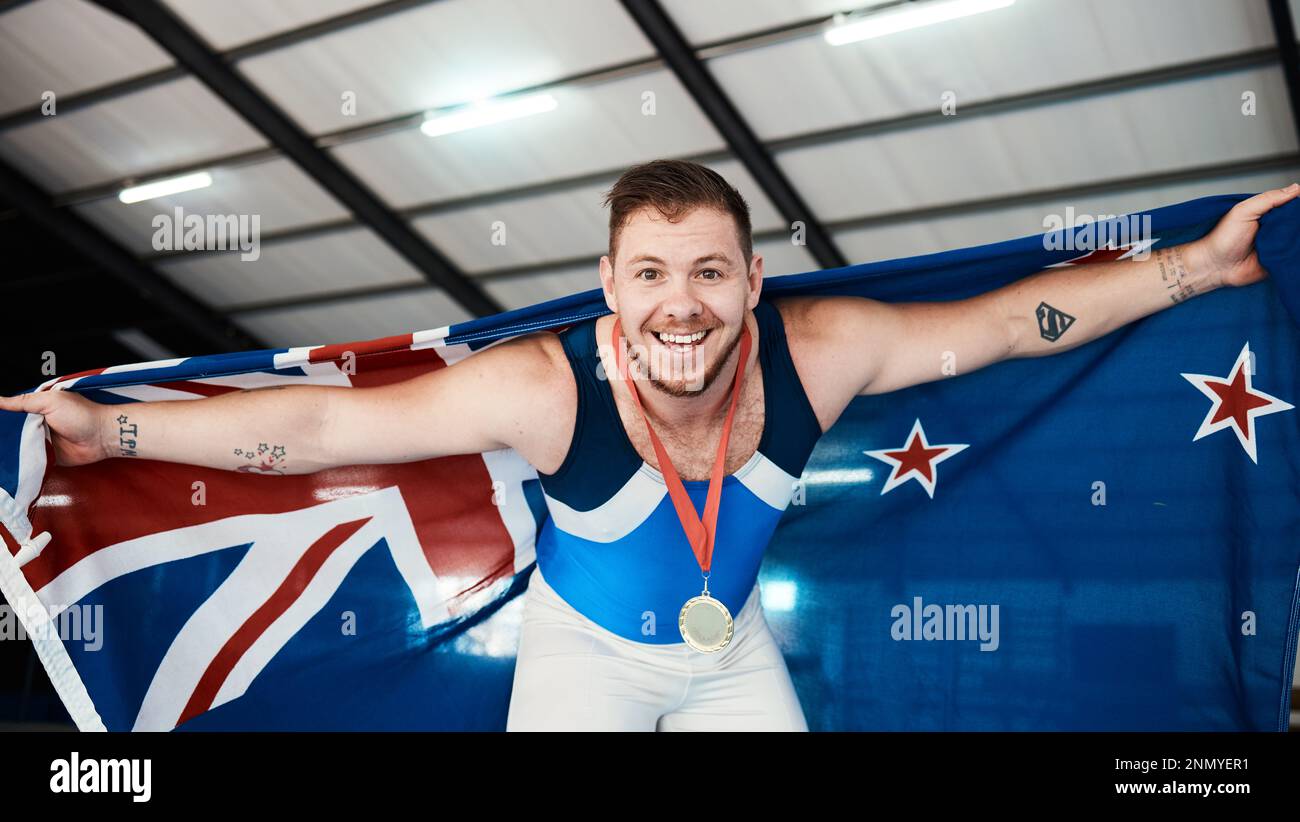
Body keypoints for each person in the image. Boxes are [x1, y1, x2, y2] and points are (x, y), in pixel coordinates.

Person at [2, 160, 1296, 731]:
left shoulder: (824, 348)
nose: (682, 305)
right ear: (611, 286)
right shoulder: (545, 390)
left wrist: (1197, 267)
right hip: (588, 665)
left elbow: (1014, 324)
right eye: (653, 274)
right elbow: (331, 423)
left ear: (752, 280)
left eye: (711, 272)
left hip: (727, 652)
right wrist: (113, 426)